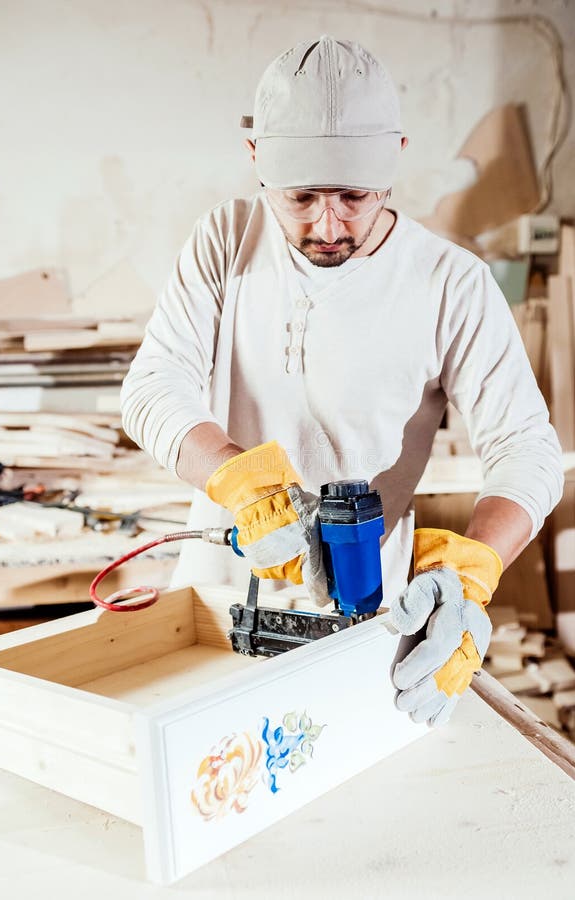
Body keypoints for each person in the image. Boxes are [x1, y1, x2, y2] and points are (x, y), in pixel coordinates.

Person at [121, 36, 563, 726]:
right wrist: (245, 484)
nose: (328, 225)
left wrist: (471, 571)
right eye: (300, 198)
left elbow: (527, 451)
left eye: (353, 196)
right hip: (220, 579)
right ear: (256, 162)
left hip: (366, 594)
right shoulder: (224, 240)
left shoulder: (450, 283)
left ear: (393, 164)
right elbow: (152, 388)